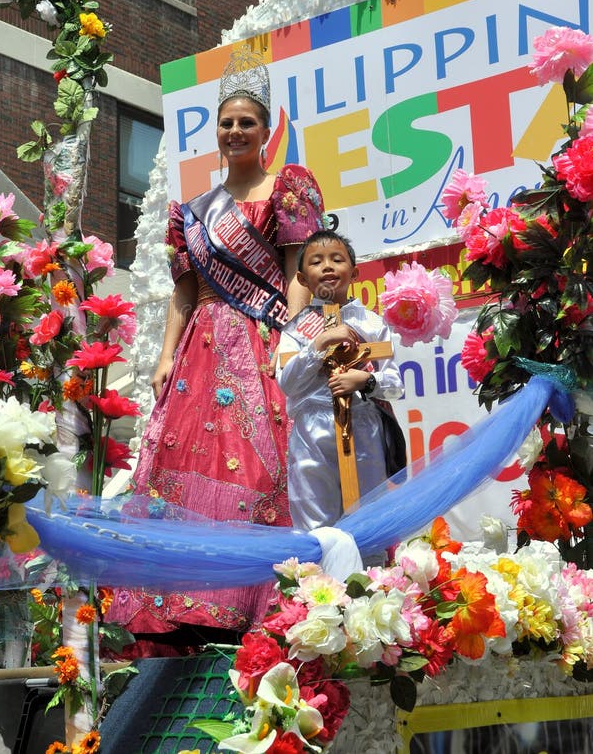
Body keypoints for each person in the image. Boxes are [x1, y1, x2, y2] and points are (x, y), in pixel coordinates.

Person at [108, 48, 325, 651]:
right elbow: (184, 293)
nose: (234, 132)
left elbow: (296, 273)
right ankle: (183, 604)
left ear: (265, 131)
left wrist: (291, 333)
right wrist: (162, 356)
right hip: (199, 351)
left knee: (260, 466)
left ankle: (257, 605)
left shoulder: (287, 188)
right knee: (185, 470)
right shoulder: (195, 213)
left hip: (259, 342)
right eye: (226, 123)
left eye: (246, 123)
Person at [277, 229, 405, 531]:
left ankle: (369, 577)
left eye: (337, 259)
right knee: (315, 522)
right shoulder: (294, 330)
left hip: (363, 428)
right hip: (312, 432)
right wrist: (318, 345)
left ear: (355, 272)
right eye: (317, 261)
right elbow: (287, 383)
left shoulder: (372, 323)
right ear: (303, 279)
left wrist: (365, 381)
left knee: (367, 516)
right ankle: (315, 579)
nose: (328, 267)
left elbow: (395, 384)